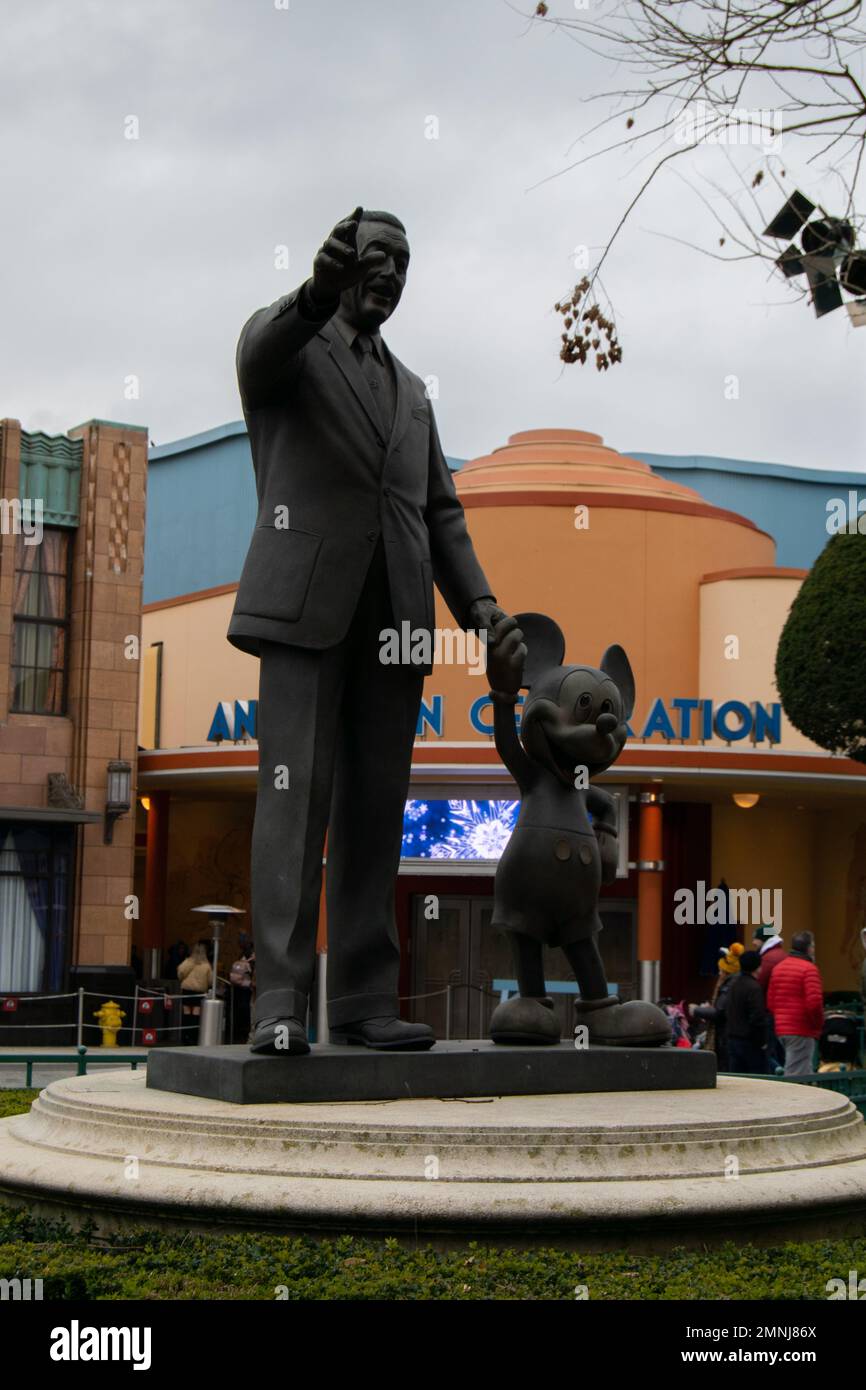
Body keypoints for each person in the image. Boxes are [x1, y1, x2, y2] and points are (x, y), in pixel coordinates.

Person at [228, 207, 507, 1057]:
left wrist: (484, 611)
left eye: (405, 266)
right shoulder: (289, 346)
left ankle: (360, 999)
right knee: (294, 799)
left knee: (376, 812)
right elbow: (258, 352)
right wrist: (311, 293)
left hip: (397, 624)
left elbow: (441, 513)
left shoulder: (414, 392)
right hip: (305, 607)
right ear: (343, 263)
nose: (393, 275)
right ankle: (279, 1000)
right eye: (380, 259)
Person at [767, 930, 824, 1075]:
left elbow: (770, 1002)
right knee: (798, 1074)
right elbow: (814, 1003)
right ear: (809, 948)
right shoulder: (809, 969)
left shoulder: (778, 968)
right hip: (801, 1028)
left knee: (798, 1067)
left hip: (782, 1028)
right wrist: (817, 1025)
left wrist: (781, 1018)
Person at [691, 942, 744, 1072]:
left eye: (721, 969)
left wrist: (696, 1010)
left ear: (727, 971)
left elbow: (719, 1012)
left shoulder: (729, 985)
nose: (719, 972)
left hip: (725, 1036)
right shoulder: (732, 983)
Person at [724, 950, 769, 1073]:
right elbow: (758, 1017)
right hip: (750, 1042)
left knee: (737, 1079)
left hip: (733, 1038)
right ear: (757, 967)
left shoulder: (733, 984)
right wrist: (762, 1042)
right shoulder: (754, 988)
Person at [752, 924, 787, 1071]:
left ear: (763, 939)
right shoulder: (781, 954)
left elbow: (758, 985)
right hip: (782, 1010)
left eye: (756, 939)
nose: (753, 942)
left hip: (771, 1011)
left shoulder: (768, 959)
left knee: (770, 1052)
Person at [177, 940, 213, 1046]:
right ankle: (194, 1038)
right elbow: (210, 980)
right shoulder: (206, 965)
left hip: (187, 990)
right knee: (196, 1014)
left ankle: (185, 1037)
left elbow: (180, 973)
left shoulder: (188, 962)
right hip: (199, 992)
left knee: (186, 1013)